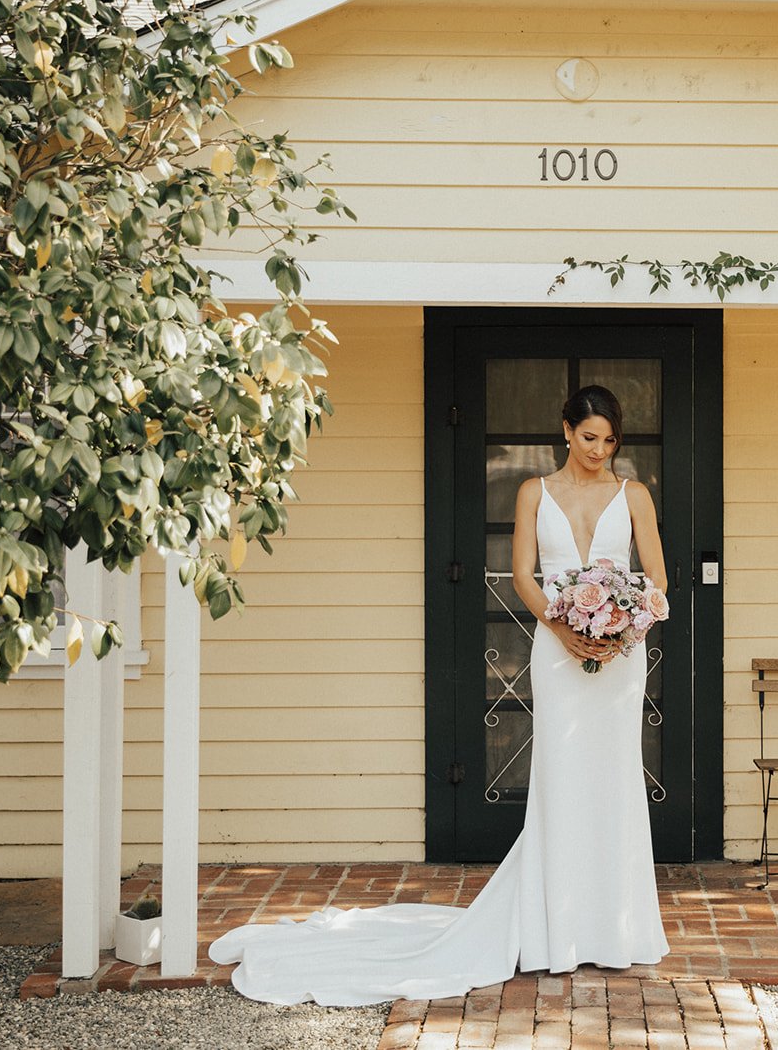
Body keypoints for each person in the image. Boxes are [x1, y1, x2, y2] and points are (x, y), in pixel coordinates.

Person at [207, 385, 670, 1005]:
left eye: (610, 440)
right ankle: (553, 930)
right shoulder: (535, 491)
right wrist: (563, 628)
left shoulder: (633, 494)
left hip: (618, 657)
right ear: (565, 431)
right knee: (562, 779)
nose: (599, 450)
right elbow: (524, 576)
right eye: (589, 437)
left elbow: (657, 579)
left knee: (615, 778)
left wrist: (621, 628)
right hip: (557, 651)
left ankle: (618, 931)